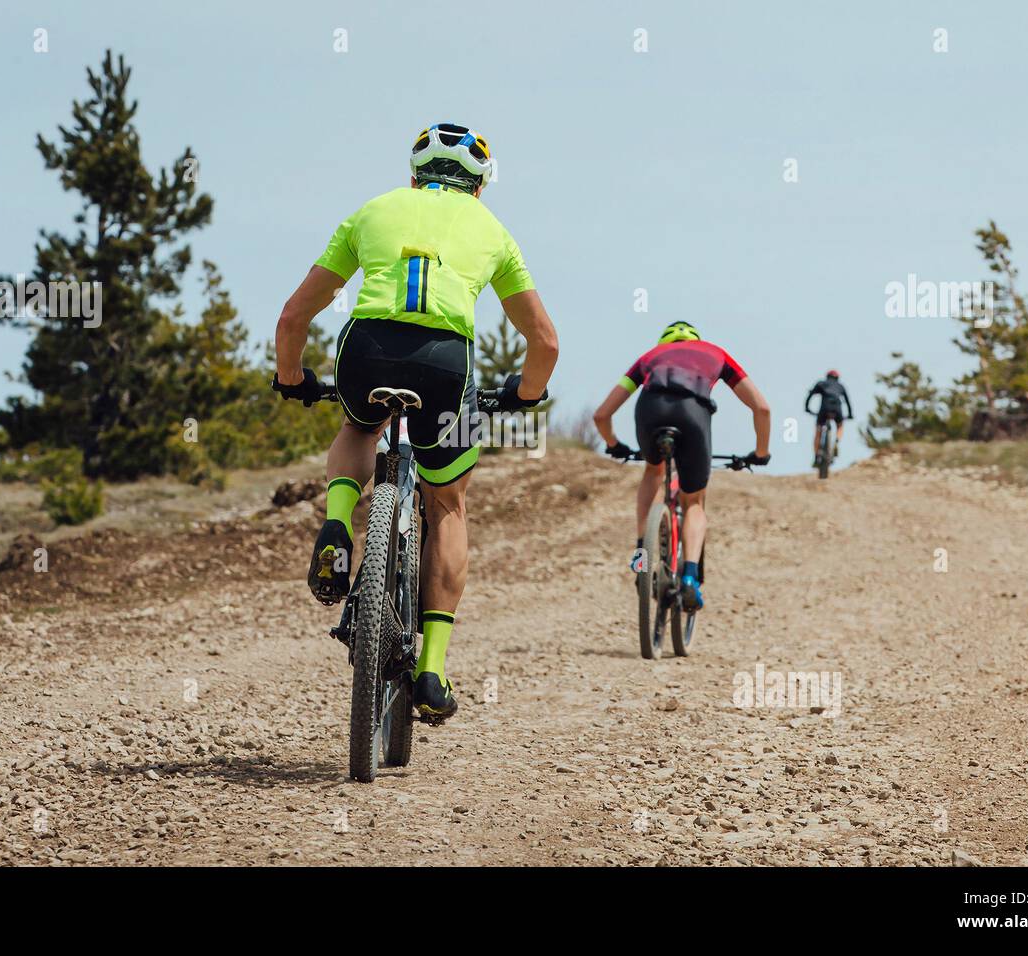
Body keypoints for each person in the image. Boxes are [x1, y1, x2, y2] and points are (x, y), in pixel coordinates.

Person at [273, 123, 559, 722]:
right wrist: (525, 395)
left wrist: (292, 378)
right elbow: (545, 342)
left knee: (357, 428)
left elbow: (294, 315)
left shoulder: (372, 211)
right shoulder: (494, 232)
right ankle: (432, 667)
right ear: (479, 188)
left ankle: (335, 527)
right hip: (443, 369)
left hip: (366, 350)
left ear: (413, 176)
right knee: (448, 503)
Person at [592, 321, 770, 610]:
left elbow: (601, 415)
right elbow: (762, 408)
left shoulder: (649, 357)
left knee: (653, 469)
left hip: (649, 410)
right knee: (694, 502)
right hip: (693, 413)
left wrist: (614, 445)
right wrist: (760, 453)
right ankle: (689, 578)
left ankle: (642, 551)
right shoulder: (716, 353)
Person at [804, 370, 852, 466]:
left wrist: (807, 408)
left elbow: (810, 395)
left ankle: (817, 455)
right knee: (840, 425)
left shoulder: (821, 383)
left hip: (824, 408)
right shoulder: (840, 386)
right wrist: (850, 414)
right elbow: (847, 401)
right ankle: (837, 440)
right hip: (837, 409)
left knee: (818, 431)